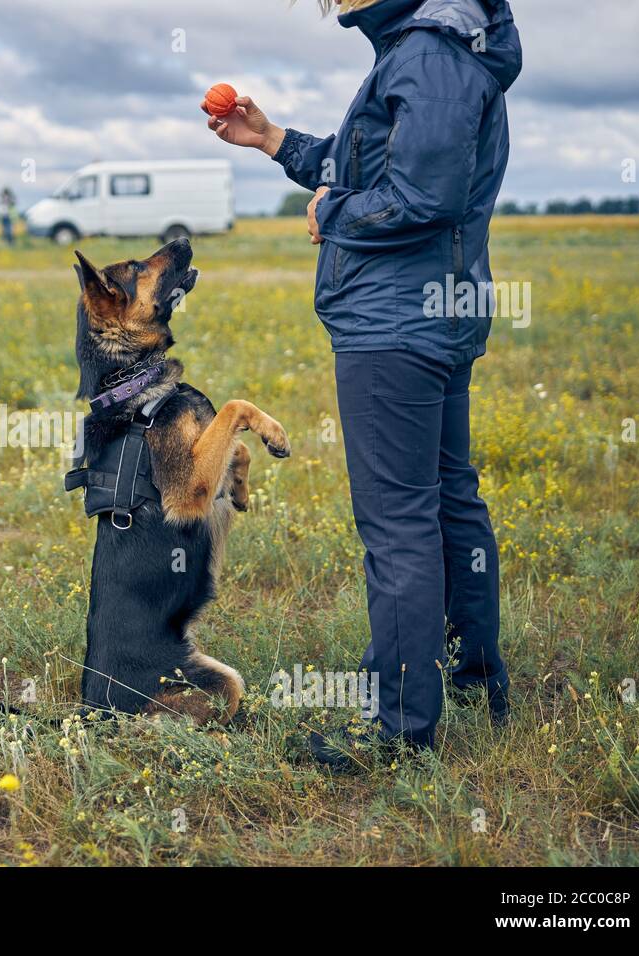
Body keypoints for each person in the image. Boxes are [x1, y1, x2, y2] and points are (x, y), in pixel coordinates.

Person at [205, 0, 521, 767]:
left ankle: (399, 730)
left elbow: (423, 198)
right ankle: (473, 681)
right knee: (448, 497)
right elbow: (372, 165)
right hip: (430, 311)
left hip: (396, 323)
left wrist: (333, 211)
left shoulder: (428, 54)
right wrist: (271, 139)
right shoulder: (438, 46)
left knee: (399, 522)